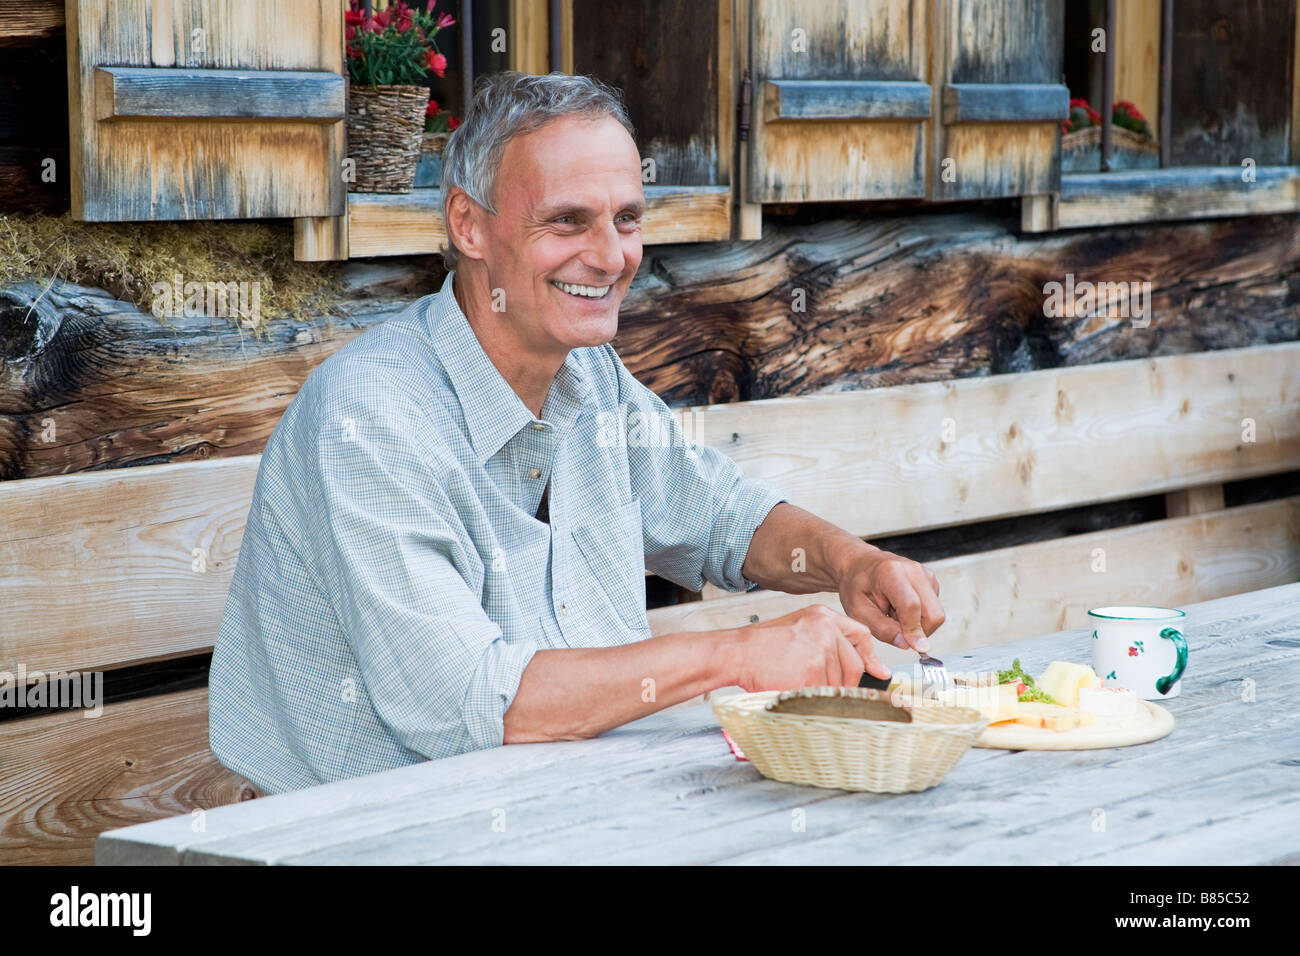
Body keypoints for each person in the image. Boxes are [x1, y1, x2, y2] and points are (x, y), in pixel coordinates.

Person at [209, 71, 944, 794]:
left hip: (579, 811)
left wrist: (850, 563)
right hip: (369, 839)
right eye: (567, 222)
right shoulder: (368, 418)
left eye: (626, 218)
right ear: (469, 224)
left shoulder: (590, 375)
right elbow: (466, 701)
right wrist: (739, 655)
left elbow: (722, 515)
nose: (610, 255)